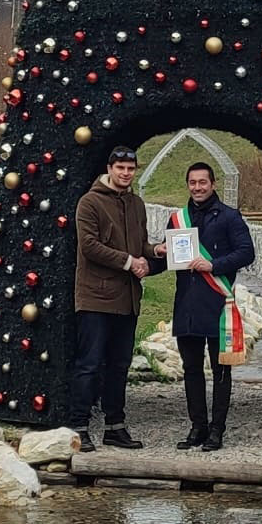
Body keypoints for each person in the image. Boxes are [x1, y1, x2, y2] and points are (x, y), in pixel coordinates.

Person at [71, 145, 163, 449]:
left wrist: (155, 251)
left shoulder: (136, 204)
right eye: (120, 168)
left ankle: (115, 426)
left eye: (130, 169)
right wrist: (129, 262)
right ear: (110, 169)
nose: (126, 173)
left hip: (127, 299)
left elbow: (140, 245)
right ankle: (79, 427)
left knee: (119, 364)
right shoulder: (89, 202)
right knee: (90, 363)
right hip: (96, 298)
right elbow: (89, 246)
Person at [169, 160, 255, 452]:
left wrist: (214, 264)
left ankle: (217, 430)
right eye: (192, 183)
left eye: (202, 182)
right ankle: (198, 427)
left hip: (218, 303)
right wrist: (150, 257)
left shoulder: (230, 217)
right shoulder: (178, 219)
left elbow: (246, 253)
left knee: (220, 371)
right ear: (187, 185)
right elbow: (171, 256)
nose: (197, 188)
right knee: (191, 369)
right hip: (188, 304)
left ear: (213, 183)